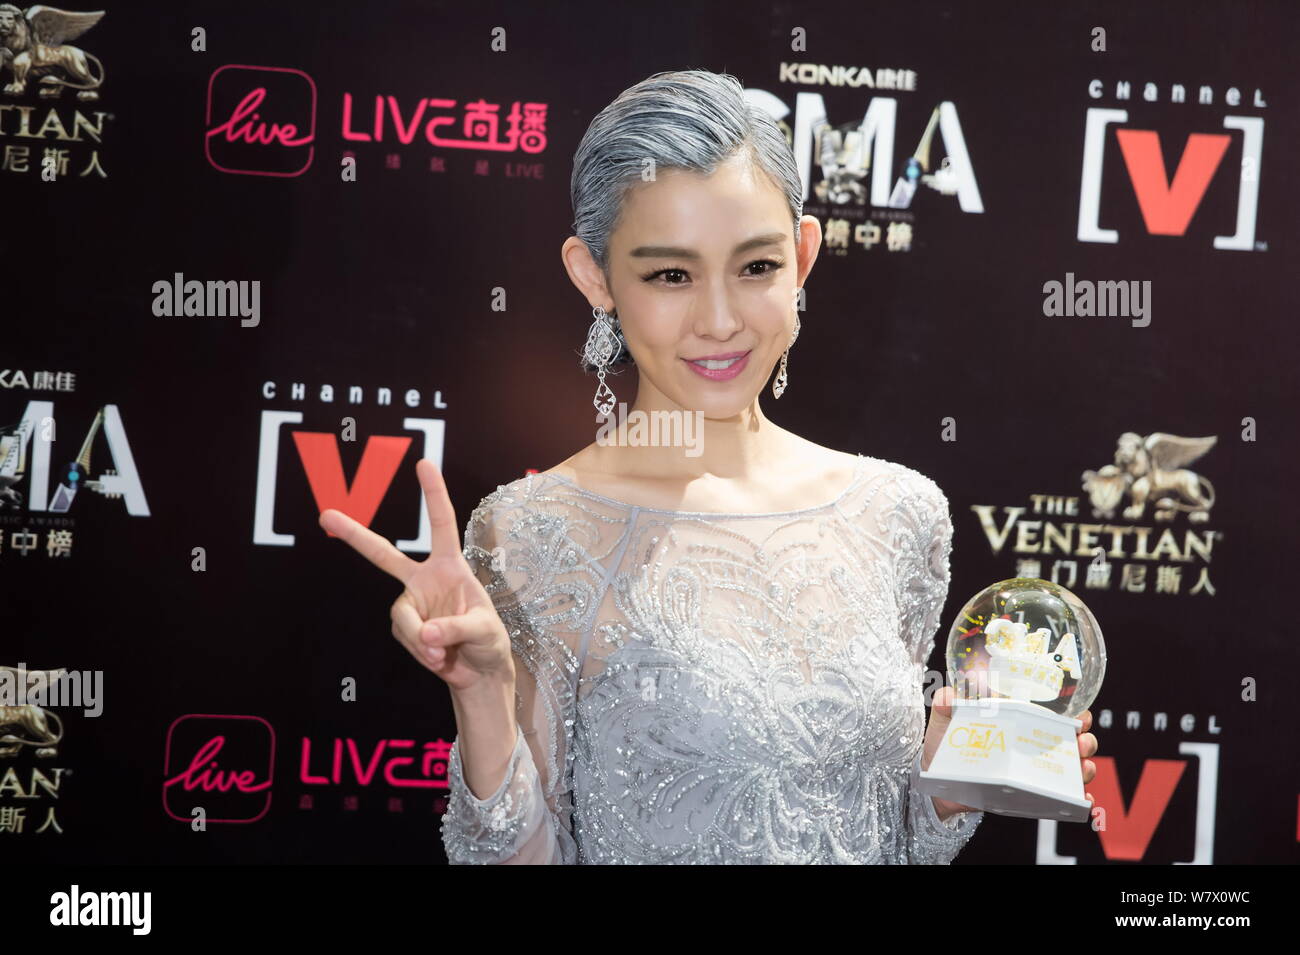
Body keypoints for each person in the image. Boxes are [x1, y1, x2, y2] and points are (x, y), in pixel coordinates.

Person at [320, 69, 1099, 864]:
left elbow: (897, 840)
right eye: (670, 275)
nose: (720, 320)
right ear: (595, 277)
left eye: (756, 267)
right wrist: (481, 695)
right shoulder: (533, 532)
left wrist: (950, 781)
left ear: (802, 256)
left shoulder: (901, 513)